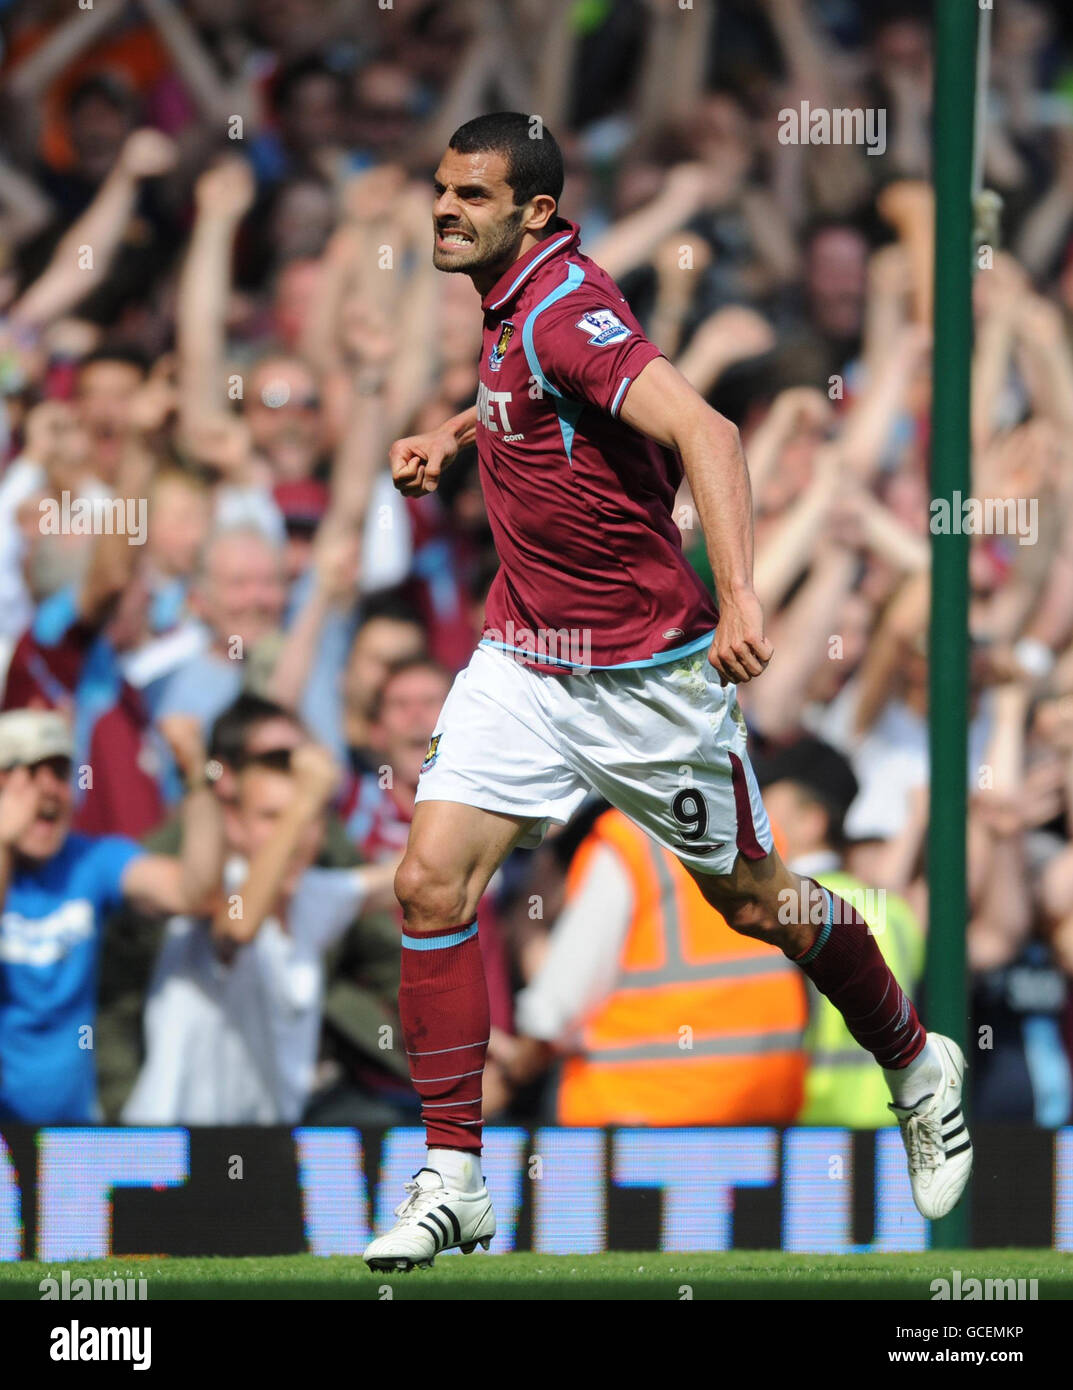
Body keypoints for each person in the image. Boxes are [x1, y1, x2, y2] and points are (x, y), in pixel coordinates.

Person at [363, 112, 972, 1271]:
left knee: (756, 904)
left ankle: (910, 1058)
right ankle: (455, 1175)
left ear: (532, 213)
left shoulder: (559, 310)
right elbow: (531, 407)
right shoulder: (513, 302)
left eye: (470, 197)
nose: (443, 209)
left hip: (644, 684)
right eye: (439, 189)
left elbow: (709, 429)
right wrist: (452, 434)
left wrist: (738, 597)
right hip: (526, 660)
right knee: (428, 879)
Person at [121, 741, 397, 1124]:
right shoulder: (217, 889)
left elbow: (414, 873)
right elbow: (239, 929)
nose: (295, 835)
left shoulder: (313, 894)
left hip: (262, 1149)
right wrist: (304, 802)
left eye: (310, 818)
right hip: (170, 1151)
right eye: (272, 817)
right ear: (233, 825)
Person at [498, 804, 808, 1126]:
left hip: (641, 1120)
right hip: (761, 1115)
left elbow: (563, 999)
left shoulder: (630, 836)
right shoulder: (758, 823)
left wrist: (515, 1068)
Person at [0, 707, 222, 1123]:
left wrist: (195, 773)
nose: (49, 790)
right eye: (27, 774)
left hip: (73, 1138)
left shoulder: (91, 860)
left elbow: (195, 892)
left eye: (60, 773)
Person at [754, 737, 927, 1127]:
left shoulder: (779, 911)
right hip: (893, 1125)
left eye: (767, 808)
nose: (755, 820)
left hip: (810, 1127)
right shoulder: (893, 911)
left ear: (812, 821)